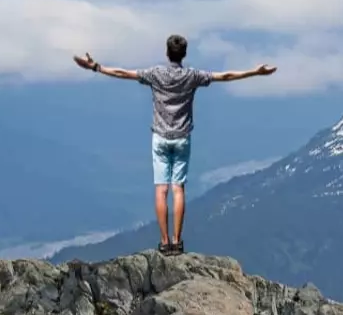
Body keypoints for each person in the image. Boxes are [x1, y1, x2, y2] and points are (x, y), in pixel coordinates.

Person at [73, 34, 276, 255]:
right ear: (184, 54)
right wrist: (255, 72)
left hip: (160, 137)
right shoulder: (192, 76)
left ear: (167, 52)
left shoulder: (156, 74)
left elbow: (123, 73)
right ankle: (178, 242)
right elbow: (224, 76)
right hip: (182, 137)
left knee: (161, 190)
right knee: (178, 189)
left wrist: (95, 67)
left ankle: (164, 241)